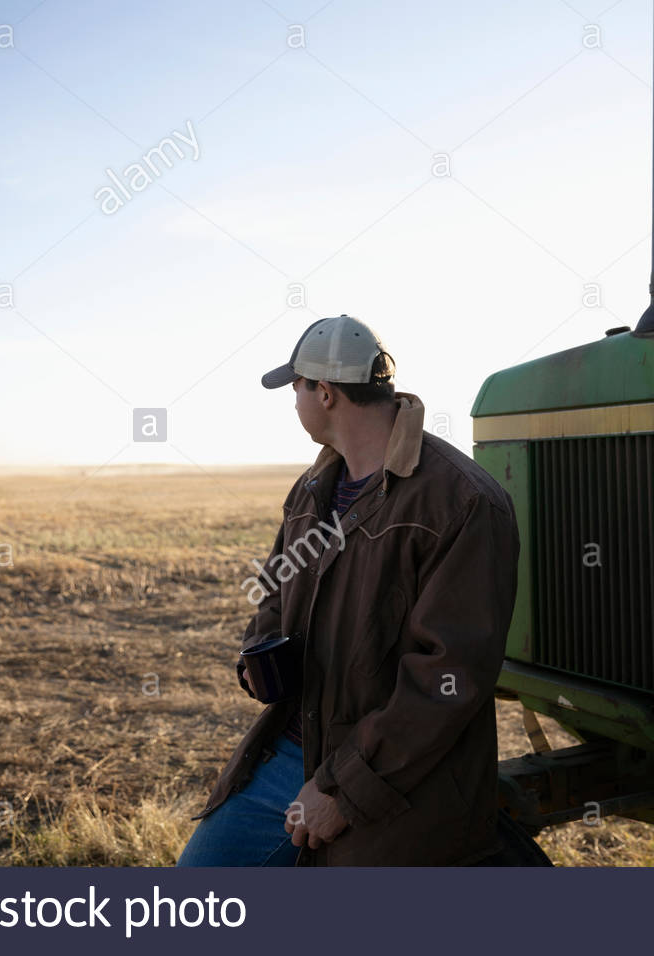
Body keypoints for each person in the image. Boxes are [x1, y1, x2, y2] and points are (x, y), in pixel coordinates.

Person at [176, 314, 519, 866]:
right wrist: (259, 651)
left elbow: (448, 677)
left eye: (296, 387)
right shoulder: (314, 486)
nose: (293, 402)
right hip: (293, 749)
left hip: (398, 779)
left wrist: (344, 790)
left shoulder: (462, 501)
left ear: (326, 393)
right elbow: (274, 586)